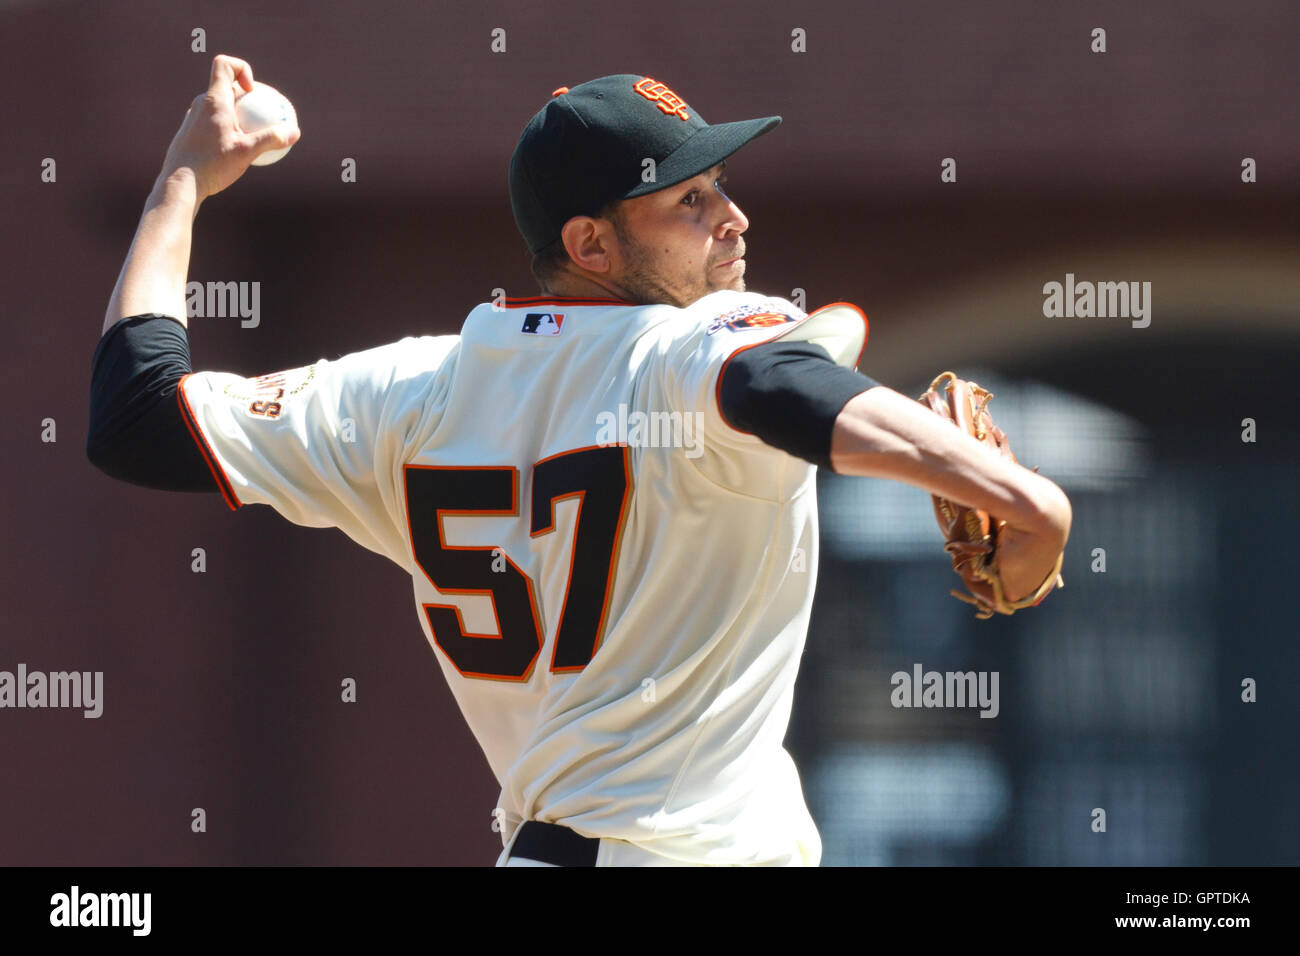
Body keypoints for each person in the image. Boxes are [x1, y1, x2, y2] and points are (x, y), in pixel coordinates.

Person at [87, 56, 1072, 866]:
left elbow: (136, 414)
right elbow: (778, 388)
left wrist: (185, 176)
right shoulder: (693, 344)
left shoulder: (406, 392)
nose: (731, 216)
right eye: (688, 198)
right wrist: (1022, 496)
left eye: (720, 183)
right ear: (589, 241)